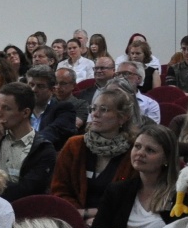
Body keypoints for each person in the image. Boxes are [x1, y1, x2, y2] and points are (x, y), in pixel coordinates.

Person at [51, 85, 139, 218]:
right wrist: (82, 215)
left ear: (123, 118)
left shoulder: (134, 151)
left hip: (115, 221)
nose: (95, 114)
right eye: (93, 108)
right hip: (73, 218)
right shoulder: (74, 145)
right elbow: (59, 189)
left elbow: (132, 198)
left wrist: (101, 217)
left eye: (103, 110)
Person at [93, 123, 178, 228]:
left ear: (166, 158)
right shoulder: (117, 191)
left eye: (150, 150)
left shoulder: (180, 195)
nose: (140, 153)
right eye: (137, 147)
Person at [0, 82, 57, 201]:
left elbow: (26, 190)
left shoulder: (43, 149)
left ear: (25, 112)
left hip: (20, 210)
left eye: (7, 108)